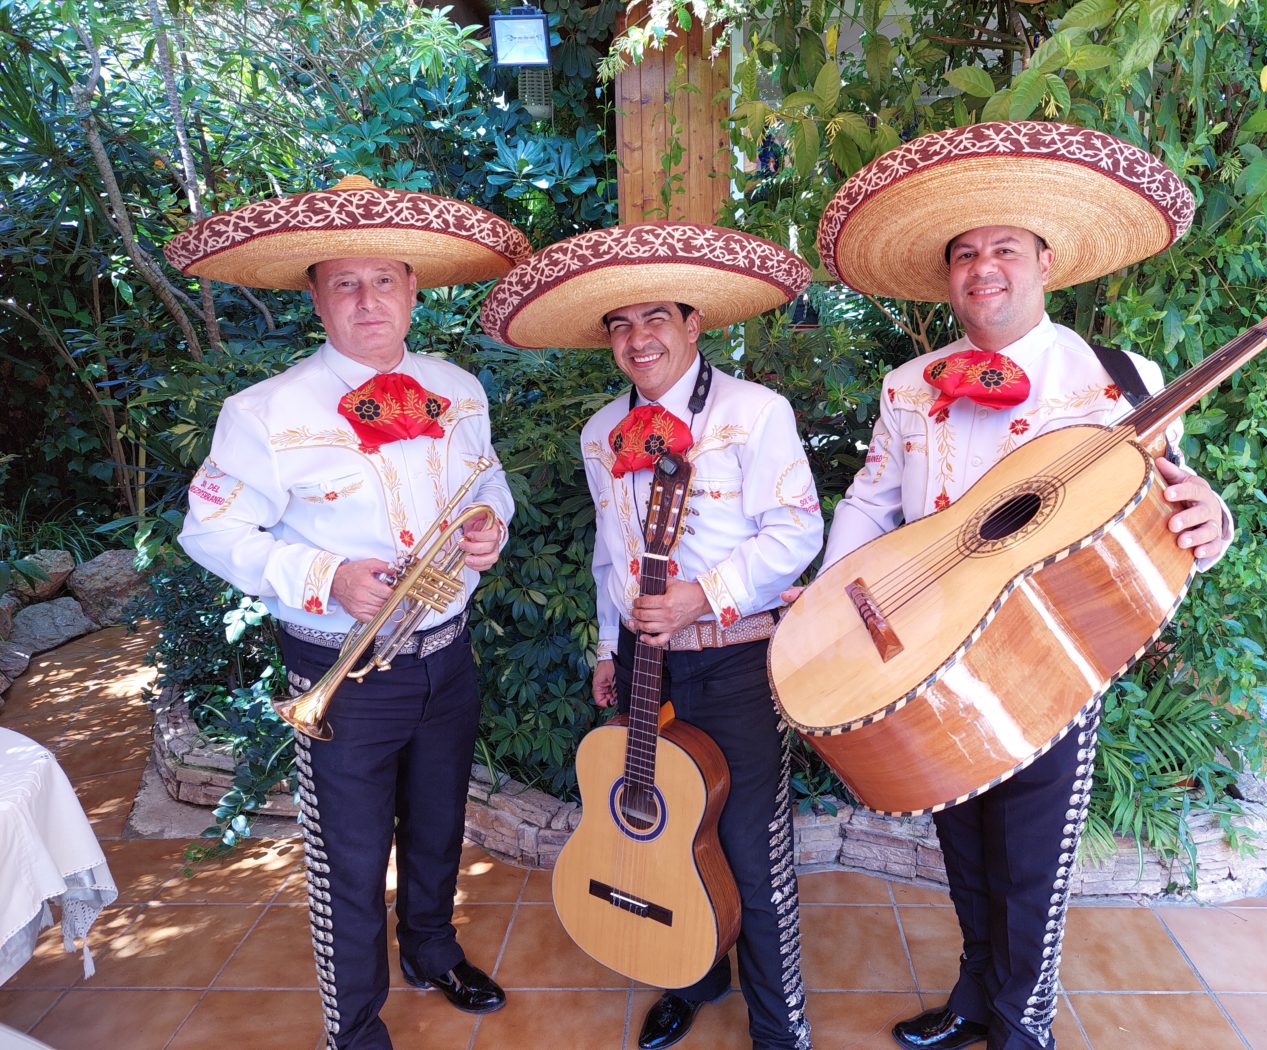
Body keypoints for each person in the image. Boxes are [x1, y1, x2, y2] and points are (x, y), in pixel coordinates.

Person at [809, 122, 1234, 1050]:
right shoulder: (908, 384)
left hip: (1050, 658)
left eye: (1005, 248)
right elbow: (870, 503)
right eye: (965, 253)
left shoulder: (1120, 380)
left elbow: (1172, 513)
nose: (983, 267)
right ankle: (974, 993)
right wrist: (843, 603)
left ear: (1046, 263)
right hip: (927, 652)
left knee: (1031, 865)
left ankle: (1020, 1026)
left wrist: (1217, 522)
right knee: (961, 847)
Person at [167, 175, 530, 1050]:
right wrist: (325, 573)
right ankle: (356, 1025)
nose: (368, 301)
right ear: (317, 299)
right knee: (351, 860)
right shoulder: (262, 413)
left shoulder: (459, 388)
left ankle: (433, 951)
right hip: (341, 670)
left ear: (412, 291)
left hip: (446, 656)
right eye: (345, 284)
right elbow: (207, 529)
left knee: (441, 821)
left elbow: (490, 493)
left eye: (385, 282)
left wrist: (489, 530)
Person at [480, 222, 822, 1050]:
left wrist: (706, 595)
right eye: (621, 325)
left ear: (694, 323)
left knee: (747, 841)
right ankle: (693, 975)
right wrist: (607, 646)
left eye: (656, 318)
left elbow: (799, 533)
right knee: (667, 829)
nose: (639, 339)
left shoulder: (754, 412)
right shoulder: (601, 433)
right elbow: (611, 552)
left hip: (734, 657)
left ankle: (781, 1030)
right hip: (642, 664)